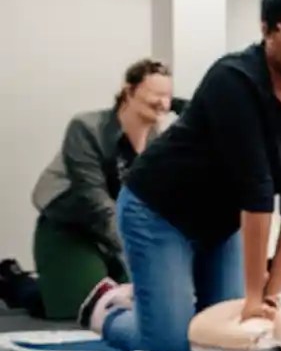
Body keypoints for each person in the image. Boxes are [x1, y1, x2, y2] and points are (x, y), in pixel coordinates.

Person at [81, 0, 281, 351]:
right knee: (169, 343)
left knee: (222, 338)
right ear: (267, 30)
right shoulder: (233, 80)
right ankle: (107, 308)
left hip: (221, 225)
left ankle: (160, 300)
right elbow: (257, 187)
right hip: (159, 210)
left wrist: (271, 293)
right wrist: (253, 294)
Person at [25, 59, 173, 321]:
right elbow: (94, 200)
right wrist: (139, 250)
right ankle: (17, 283)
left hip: (110, 234)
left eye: (168, 96)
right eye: (156, 94)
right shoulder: (86, 127)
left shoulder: (156, 142)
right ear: (129, 91)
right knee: (82, 309)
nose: (163, 103)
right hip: (69, 226)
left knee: (137, 301)